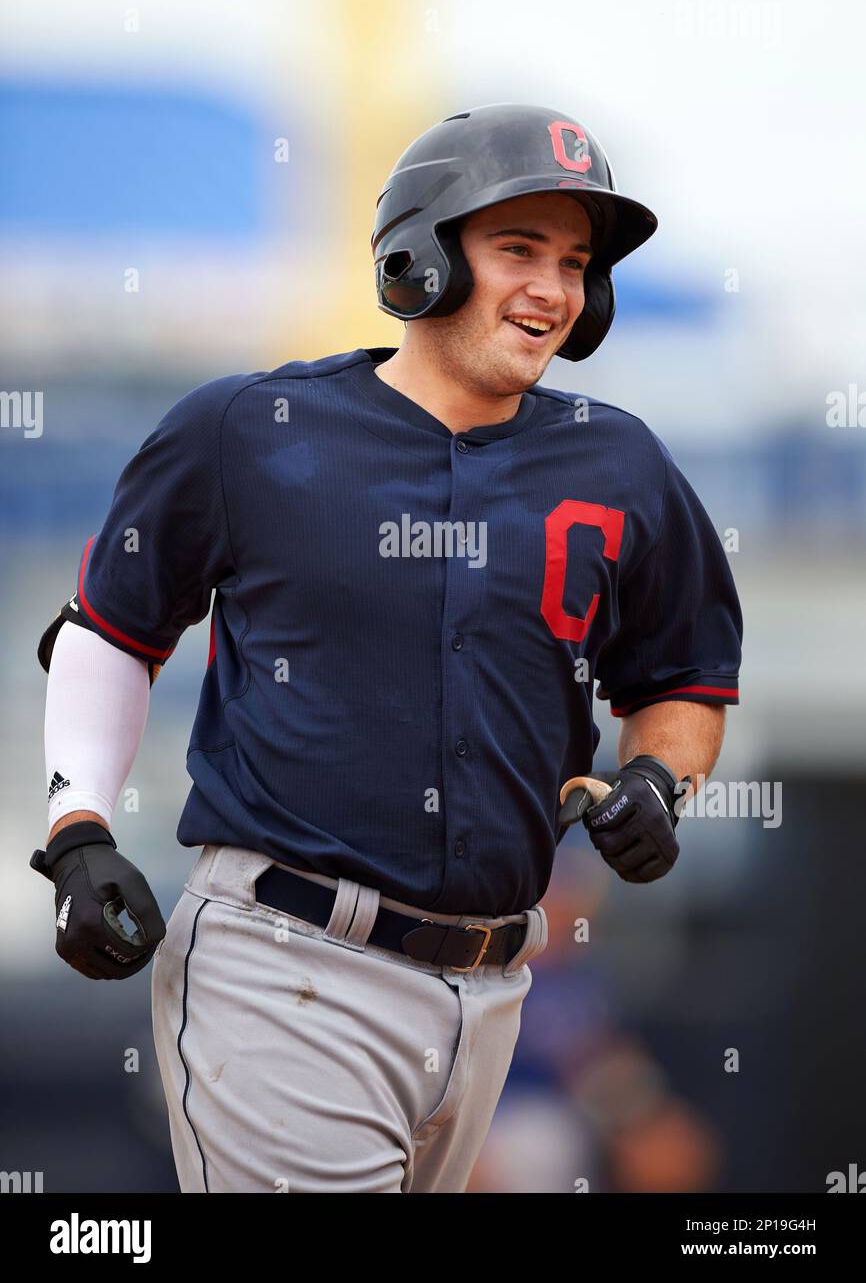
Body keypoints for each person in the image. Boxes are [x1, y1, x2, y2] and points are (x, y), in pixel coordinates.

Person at [32, 103, 743, 1193]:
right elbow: (113, 630)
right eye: (516, 248)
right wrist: (77, 831)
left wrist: (659, 776)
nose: (550, 289)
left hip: (493, 990)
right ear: (417, 257)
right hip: (284, 960)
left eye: (572, 261)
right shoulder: (249, 428)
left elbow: (683, 680)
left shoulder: (622, 463)